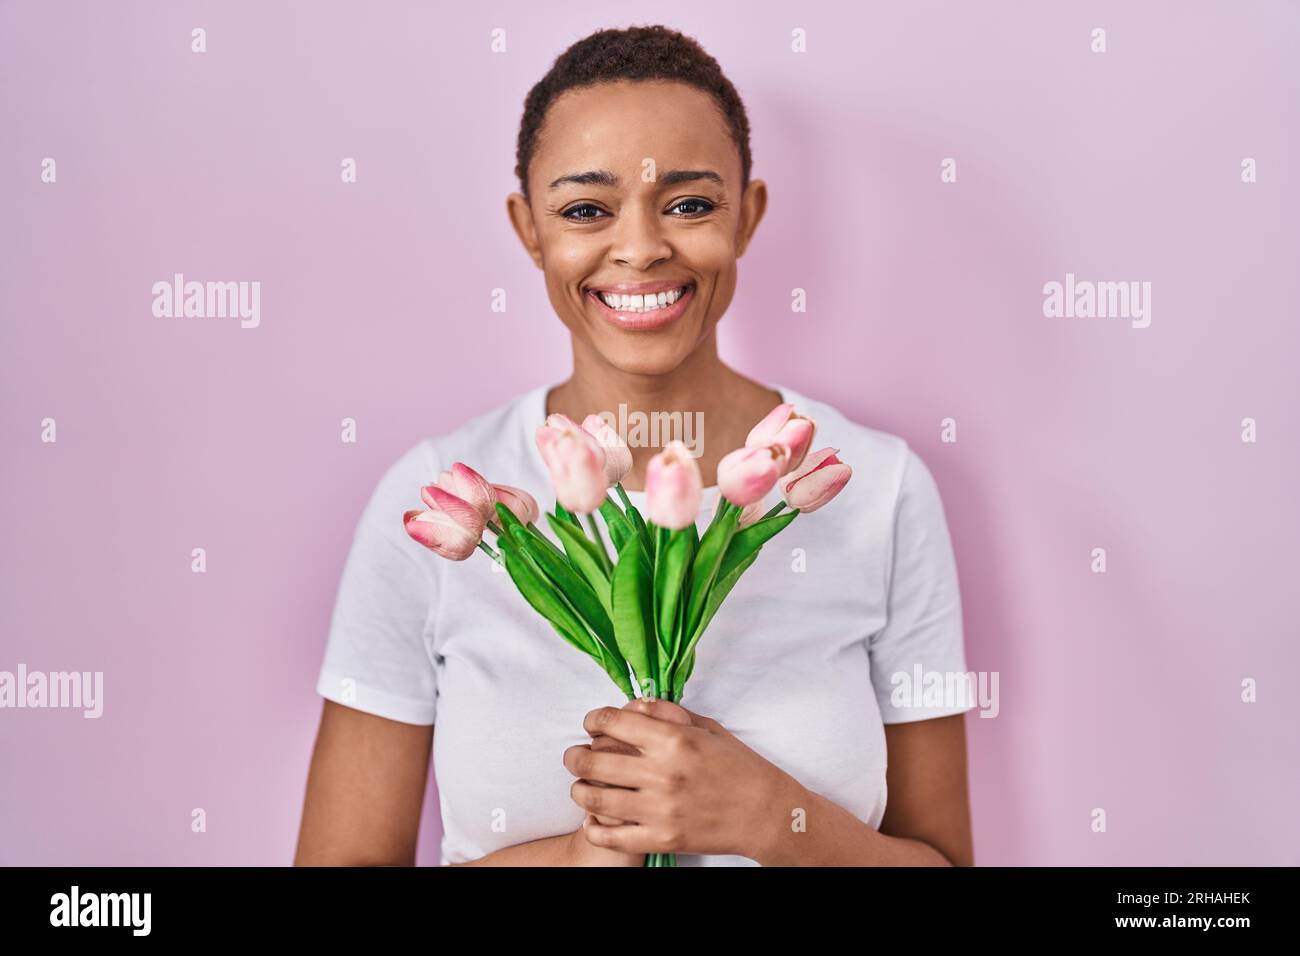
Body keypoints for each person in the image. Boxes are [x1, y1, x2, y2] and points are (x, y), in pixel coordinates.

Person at [295, 24, 974, 867]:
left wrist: (770, 816)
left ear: (749, 216)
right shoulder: (441, 491)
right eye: (585, 209)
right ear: (529, 230)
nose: (643, 247)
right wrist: (577, 860)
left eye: (691, 204)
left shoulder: (880, 487)